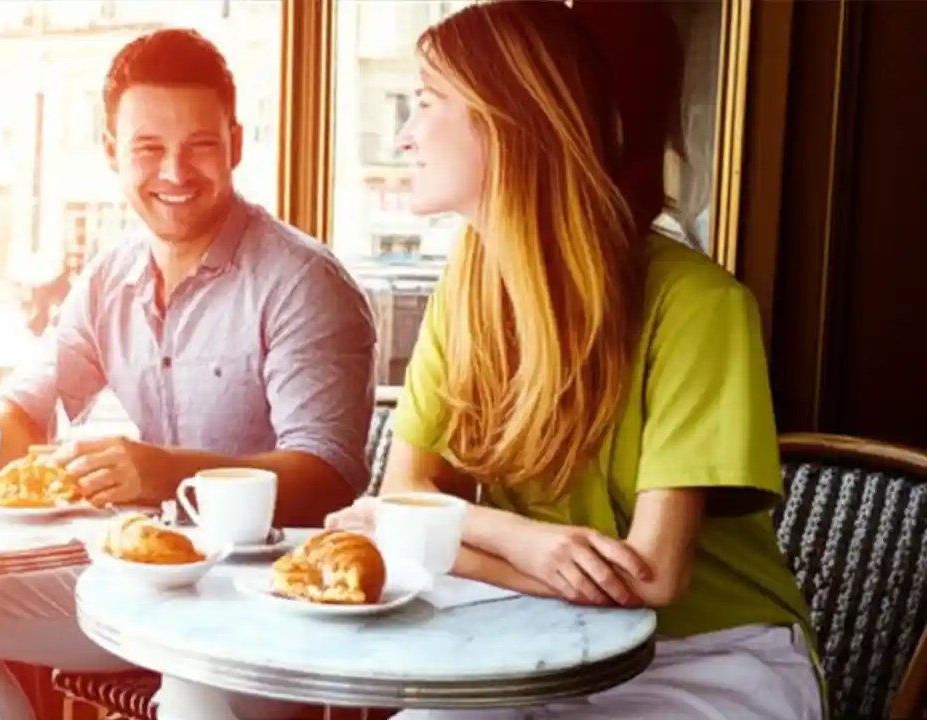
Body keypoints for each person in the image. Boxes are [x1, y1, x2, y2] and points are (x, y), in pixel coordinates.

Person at [325, 2, 824, 718]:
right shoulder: (462, 295)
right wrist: (518, 538)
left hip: (706, 657)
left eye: (427, 102)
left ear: (509, 119)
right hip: (527, 638)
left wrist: (441, 532)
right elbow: (401, 499)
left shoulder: (699, 306)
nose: (405, 136)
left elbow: (650, 577)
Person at [0, 28, 376, 720]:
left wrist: (167, 471)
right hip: (148, 574)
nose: (174, 172)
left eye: (200, 146)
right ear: (113, 154)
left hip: (274, 598)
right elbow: (24, 414)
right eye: (149, 148)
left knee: (191, 695)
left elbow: (327, 478)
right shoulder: (108, 276)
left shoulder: (301, 282)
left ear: (235, 144)